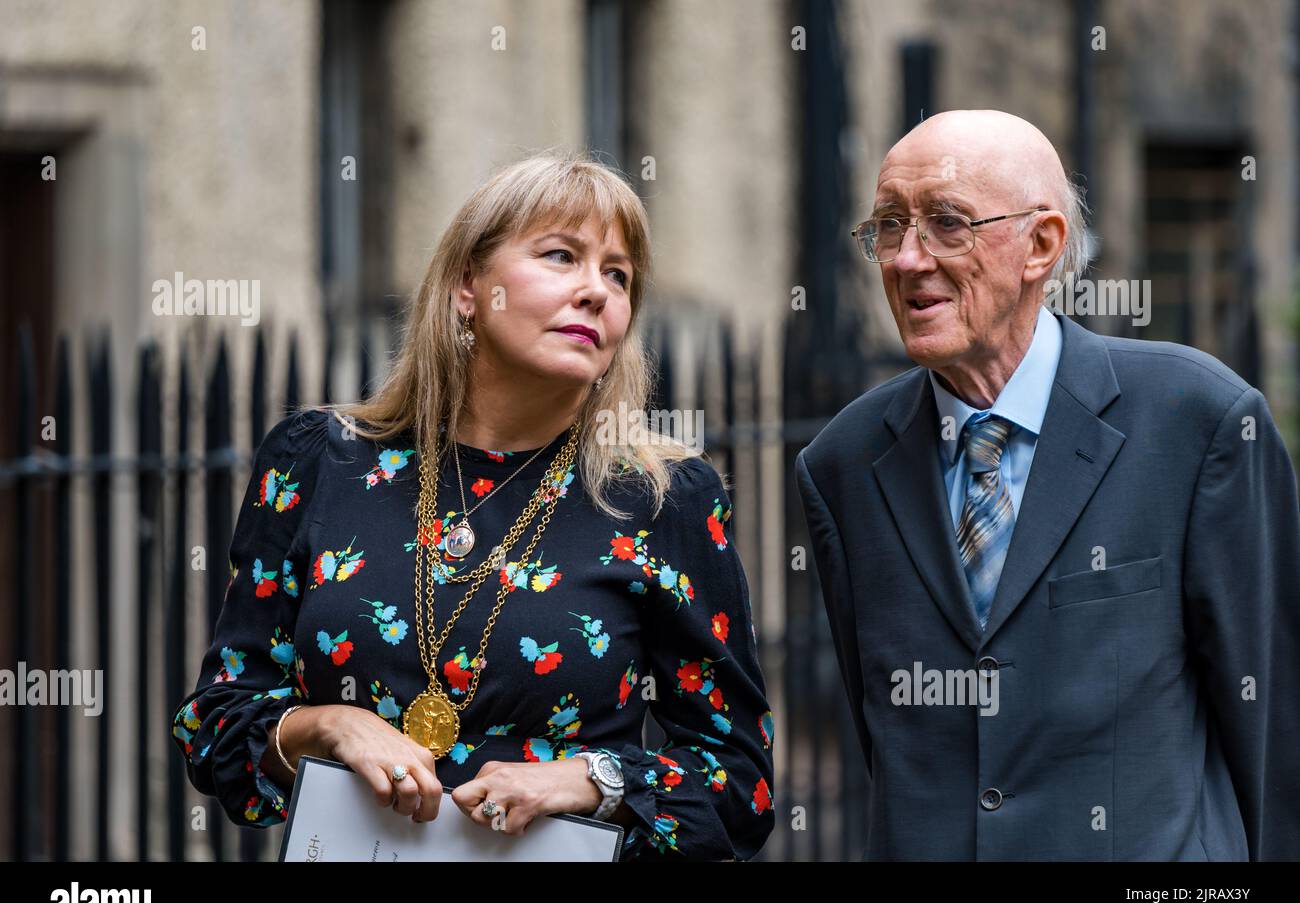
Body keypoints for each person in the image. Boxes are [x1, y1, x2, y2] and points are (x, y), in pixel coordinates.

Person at [171, 152, 775, 861]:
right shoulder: (317, 461)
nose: (596, 292)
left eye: (618, 275)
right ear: (468, 287)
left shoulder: (662, 498)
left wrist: (590, 779)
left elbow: (741, 787)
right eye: (561, 256)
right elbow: (213, 727)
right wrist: (326, 726)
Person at [795, 109, 1300, 860]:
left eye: (946, 224)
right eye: (889, 226)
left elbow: (1273, 733)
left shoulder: (1201, 422)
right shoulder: (842, 462)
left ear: (1041, 245)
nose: (906, 259)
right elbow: (885, 742)